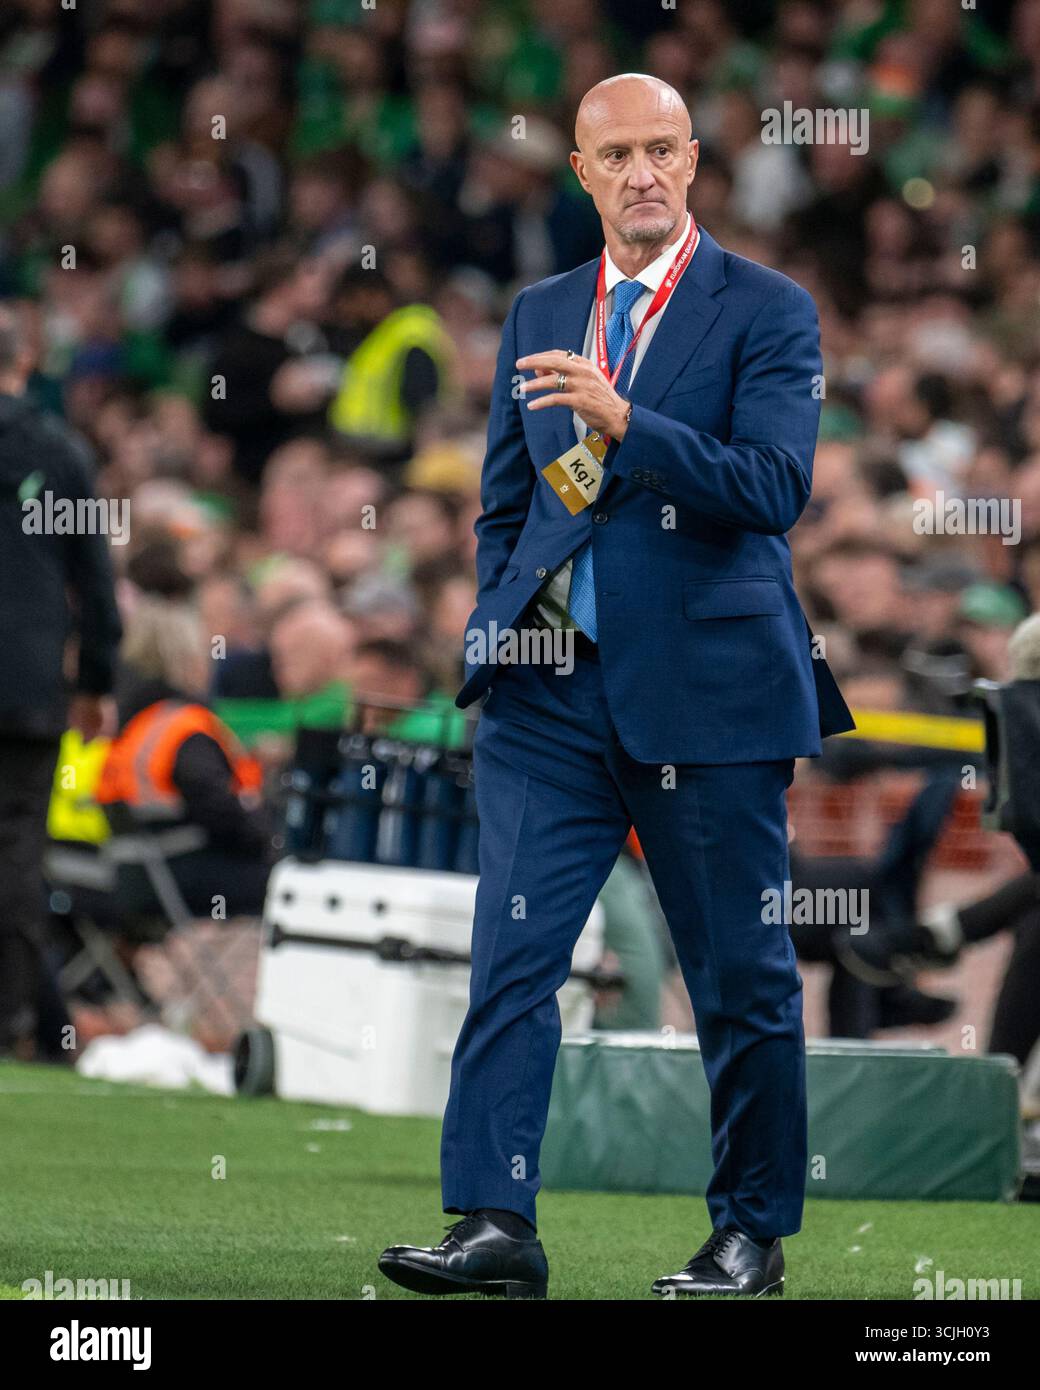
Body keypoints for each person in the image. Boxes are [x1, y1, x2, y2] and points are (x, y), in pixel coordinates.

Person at [379, 73, 853, 1301]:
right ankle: (495, 1222)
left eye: (660, 150)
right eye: (614, 155)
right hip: (548, 697)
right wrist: (500, 612)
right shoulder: (540, 305)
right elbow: (502, 500)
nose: (640, 172)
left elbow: (770, 488)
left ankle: (748, 1233)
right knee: (510, 958)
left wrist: (628, 420)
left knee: (737, 980)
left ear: (693, 161)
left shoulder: (769, 308)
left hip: (711, 694)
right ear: (580, 173)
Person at [0, 303, 122, 1057]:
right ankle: (12, 1022)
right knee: (16, 852)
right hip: (28, 687)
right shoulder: (61, 452)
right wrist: (95, 683)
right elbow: (97, 587)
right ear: (28, 363)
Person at [96, 597, 271, 919]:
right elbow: (219, 810)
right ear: (188, 660)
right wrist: (265, 834)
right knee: (289, 884)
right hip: (175, 874)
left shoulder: (131, 722)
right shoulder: (183, 726)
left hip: (128, 873)